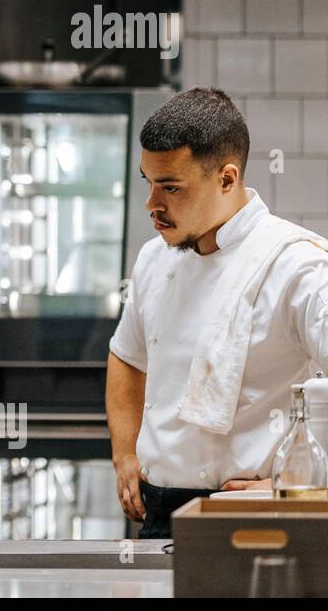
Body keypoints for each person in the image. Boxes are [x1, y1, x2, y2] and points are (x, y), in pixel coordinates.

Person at [108, 87, 328, 538]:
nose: (152, 204)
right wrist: (125, 453)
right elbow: (127, 357)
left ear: (227, 178)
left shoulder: (299, 267)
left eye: (170, 188)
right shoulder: (154, 258)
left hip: (257, 517)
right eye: (147, 182)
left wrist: (309, 483)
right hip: (157, 516)